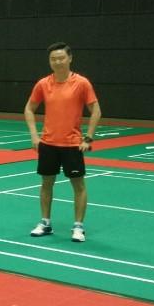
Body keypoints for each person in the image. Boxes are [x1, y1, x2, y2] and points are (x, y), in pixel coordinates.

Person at [24, 42, 101, 243]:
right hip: (48, 144)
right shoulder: (43, 84)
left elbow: (96, 111)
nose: (57, 62)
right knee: (46, 184)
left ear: (70, 58)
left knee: (79, 186)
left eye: (61, 58)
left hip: (72, 145)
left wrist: (88, 138)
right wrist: (34, 136)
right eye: (53, 59)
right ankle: (45, 223)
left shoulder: (82, 83)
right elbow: (29, 109)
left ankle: (78, 227)